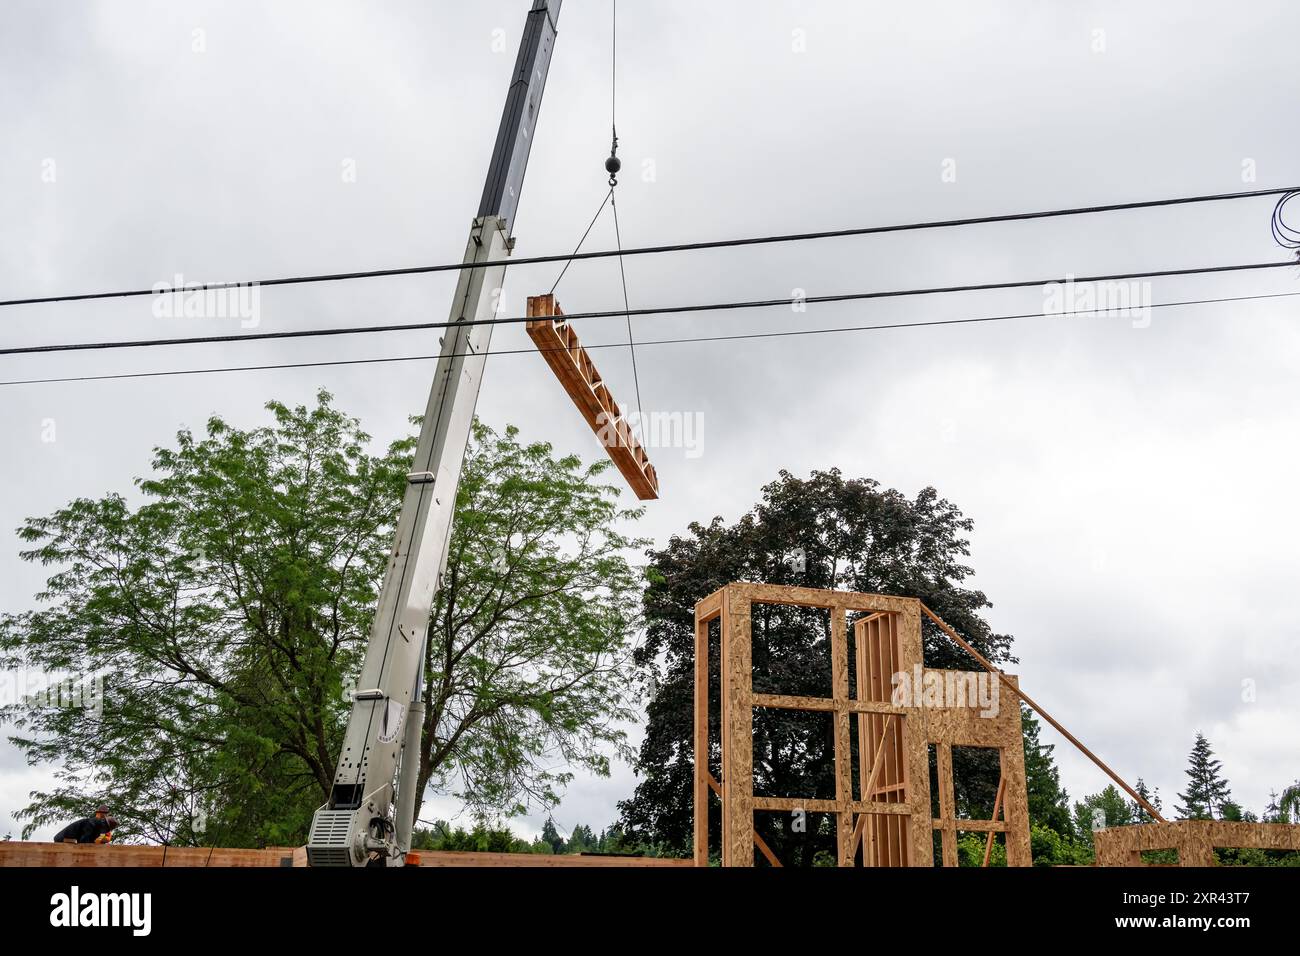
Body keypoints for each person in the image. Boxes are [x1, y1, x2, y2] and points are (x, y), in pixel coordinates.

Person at [52, 804, 118, 844]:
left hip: (71, 842)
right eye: (102, 813)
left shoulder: (98, 828)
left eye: (105, 814)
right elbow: (84, 841)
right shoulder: (90, 823)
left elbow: (94, 840)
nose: (103, 815)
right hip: (63, 841)